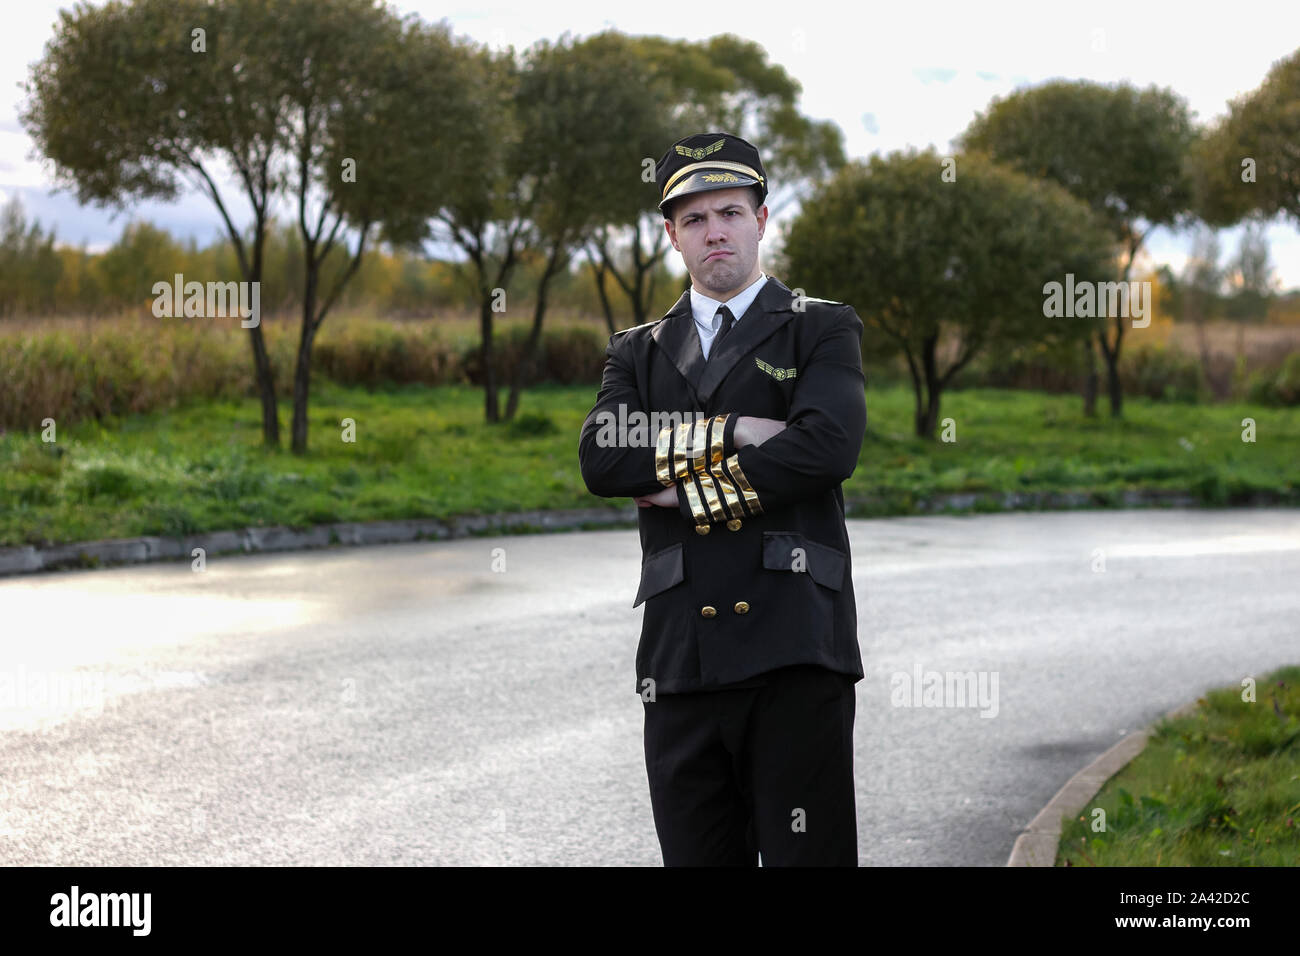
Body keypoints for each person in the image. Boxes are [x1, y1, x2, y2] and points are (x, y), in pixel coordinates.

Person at [578, 132, 867, 866]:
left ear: (762, 219)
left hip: (795, 647)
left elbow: (825, 449)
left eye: (731, 212)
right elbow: (605, 457)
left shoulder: (821, 327)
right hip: (680, 661)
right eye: (697, 218)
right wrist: (737, 428)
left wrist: (688, 493)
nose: (716, 232)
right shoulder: (637, 351)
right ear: (671, 233)